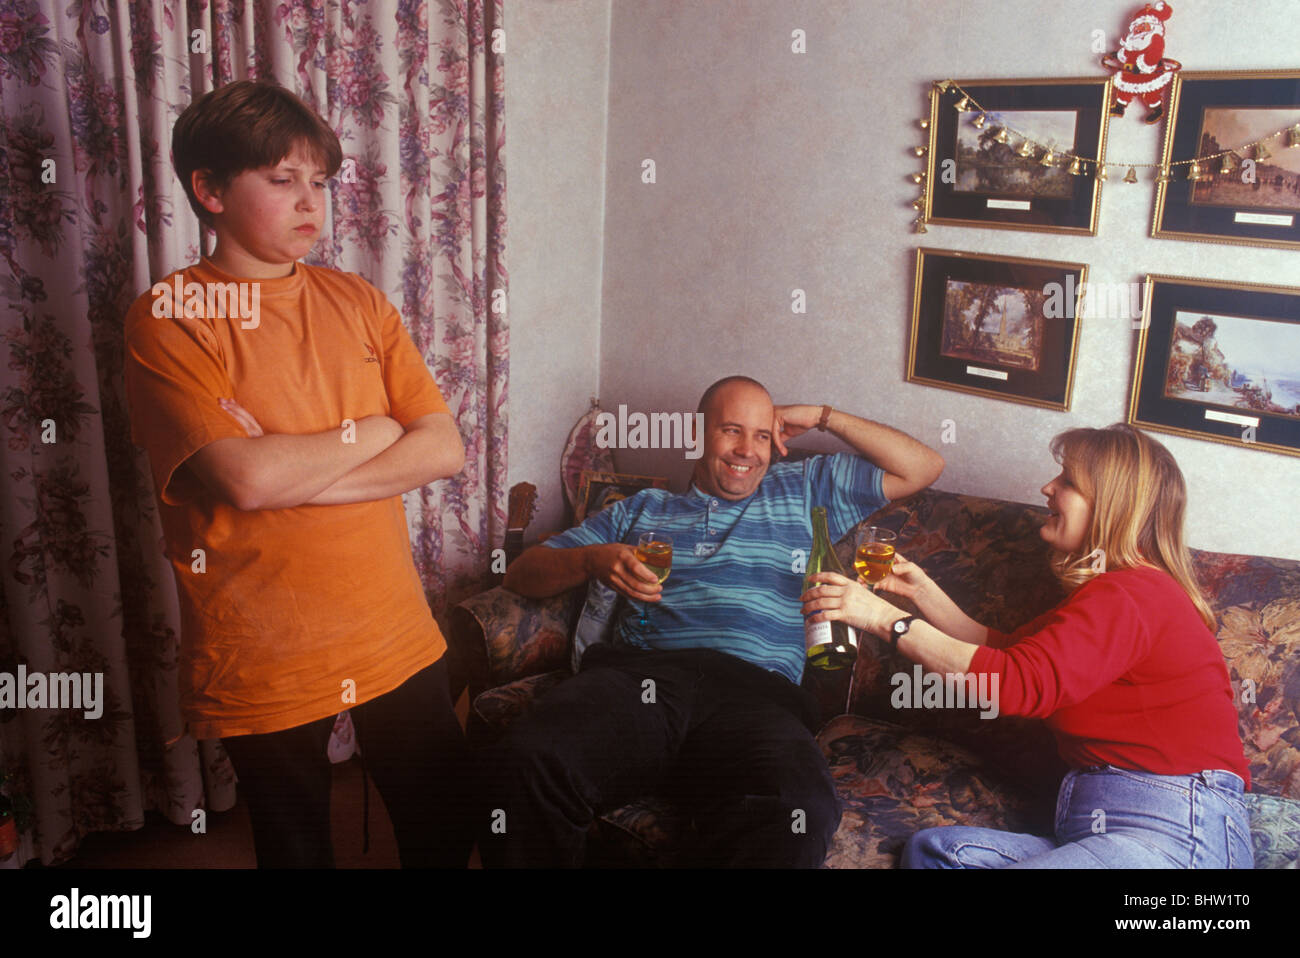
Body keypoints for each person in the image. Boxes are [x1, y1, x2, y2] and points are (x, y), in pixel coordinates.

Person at [124, 80, 470, 868]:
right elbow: (243, 480)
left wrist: (298, 467)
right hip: (263, 646)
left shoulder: (360, 302)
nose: (311, 202)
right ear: (209, 190)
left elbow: (442, 448)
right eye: (282, 180)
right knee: (295, 850)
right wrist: (381, 432)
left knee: (445, 828)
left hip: (392, 629)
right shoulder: (169, 316)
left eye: (319, 182)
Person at [477, 376, 945, 867]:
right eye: (731, 431)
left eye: (762, 435)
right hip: (645, 684)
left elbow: (925, 467)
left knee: (796, 810)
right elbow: (520, 574)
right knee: (529, 758)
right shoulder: (642, 510)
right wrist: (592, 561)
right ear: (696, 435)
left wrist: (823, 416)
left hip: (758, 697)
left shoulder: (806, 488)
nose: (748, 450)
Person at [802, 423, 1252, 868]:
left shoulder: (1132, 595)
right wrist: (921, 593)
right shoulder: (1115, 592)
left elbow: (1013, 685)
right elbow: (1005, 651)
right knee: (935, 852)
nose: (1047, 488)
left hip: (1172, 828)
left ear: (1112, 507)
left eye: (1069, 482)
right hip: (1102, 826)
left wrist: (883, 619)